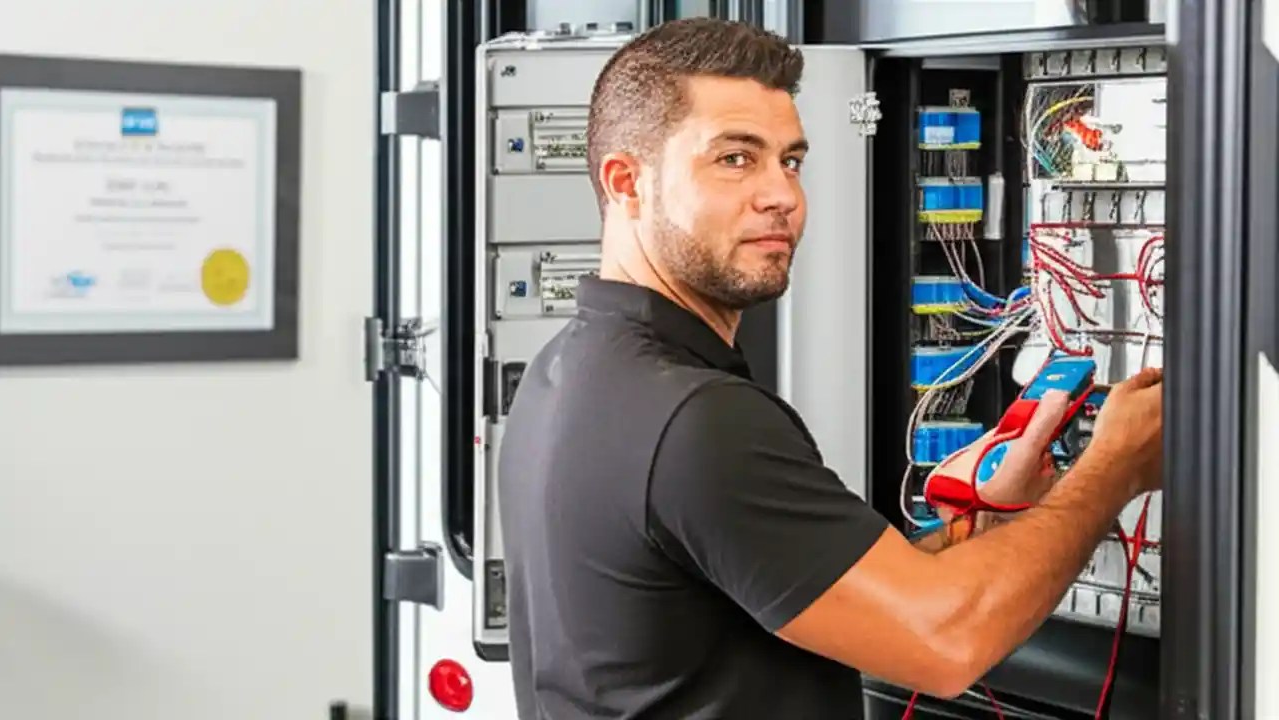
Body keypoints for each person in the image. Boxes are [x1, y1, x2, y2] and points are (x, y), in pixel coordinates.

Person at [496, 16, 1164, 720]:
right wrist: (1114, 465)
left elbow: (818, 587)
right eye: (734, 159)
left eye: (790, 160)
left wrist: (994, 526)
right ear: (627, 182)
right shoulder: (697, 423)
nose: (780, 194)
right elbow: (946, 641)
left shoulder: (566, 375)